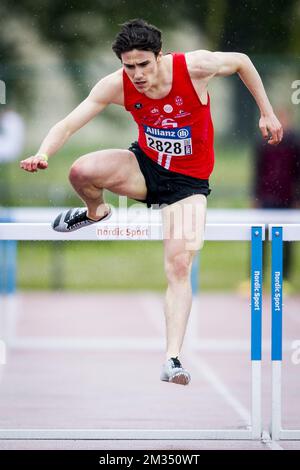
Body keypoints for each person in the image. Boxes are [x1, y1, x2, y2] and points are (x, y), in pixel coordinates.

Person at [20, 19, 283, 385]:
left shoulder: (194, 67)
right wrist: (43, 153)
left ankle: (172, 358)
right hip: (144, 168)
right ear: (122, 64)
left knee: (178, 265)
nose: (138, 75)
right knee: (81, 171)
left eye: (144, 64)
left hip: (187, 185)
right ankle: (95, 212)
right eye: (130, 67)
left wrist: (266, 112)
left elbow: (241, 61)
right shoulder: (116, 86)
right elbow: (67, 124)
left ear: (160, 56)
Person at [253, 108, 300, 289]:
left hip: (287, 198)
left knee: (286, 240)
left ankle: (283, 279)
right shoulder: (262, 142)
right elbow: (257, 171)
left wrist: (297, 198)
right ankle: (256, 278)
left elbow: (297, 173)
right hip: (266, 197)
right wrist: (255, 197)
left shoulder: (294, 142)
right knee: (259, 237)